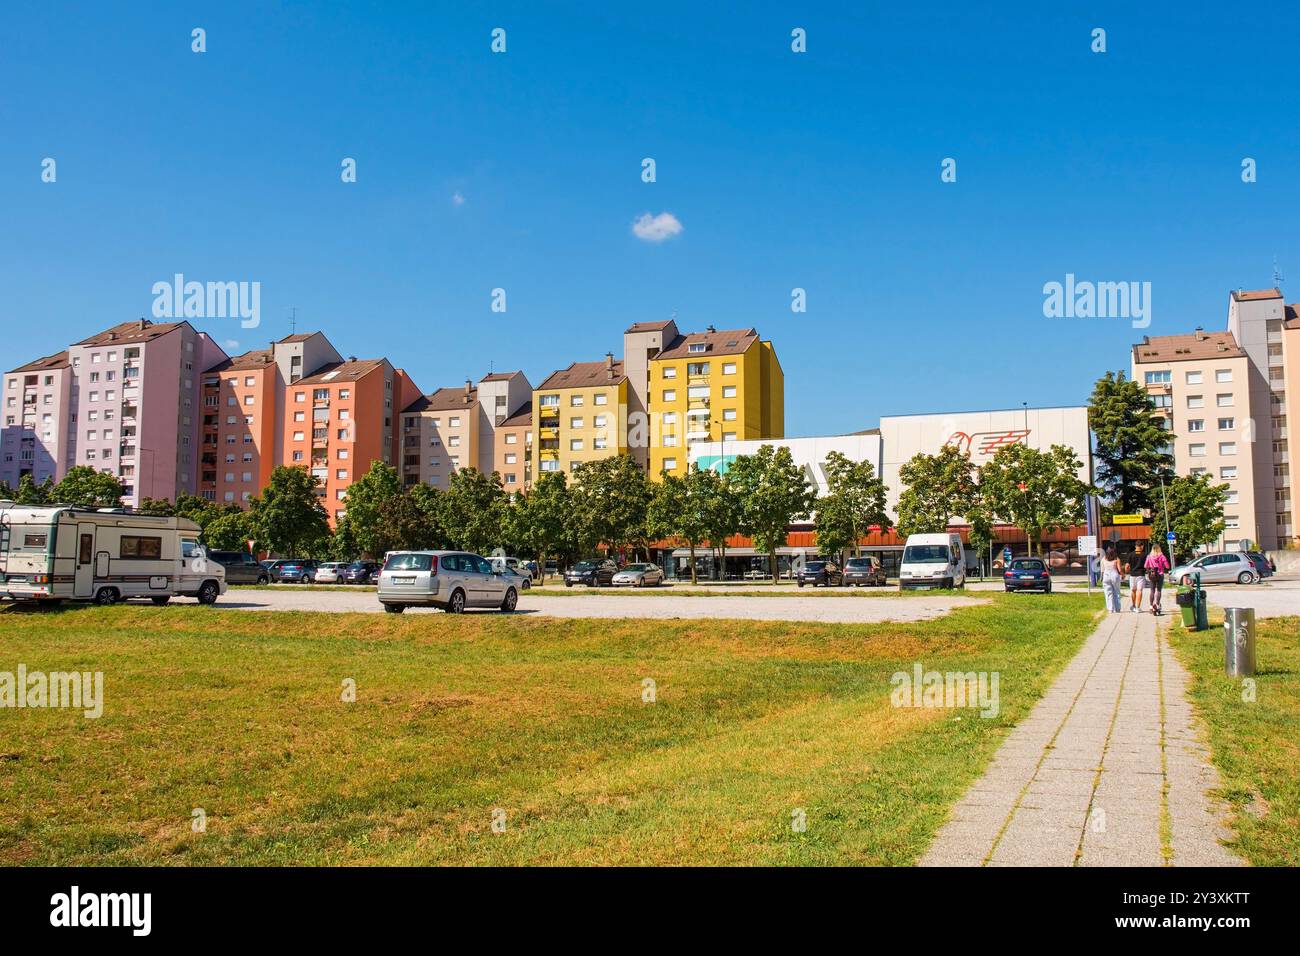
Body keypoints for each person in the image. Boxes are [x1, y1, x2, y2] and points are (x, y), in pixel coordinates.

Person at [1145, 543, 1171, 616]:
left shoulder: (1149, 556)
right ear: (1159, 549)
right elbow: (1167, 566)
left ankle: (1151, 606)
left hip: (1152, 575)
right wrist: (1162, 566)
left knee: (1152, 590)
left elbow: (1145, 565)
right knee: (1158, 590)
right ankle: (1157, 605)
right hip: (1160, 574)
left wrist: (1150, 569)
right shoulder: (1162, 556)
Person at [1101, 545, 1123, 613]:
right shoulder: (1117, 559)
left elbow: (1102, 570)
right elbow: (1119, 570)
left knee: (1108, 593)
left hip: (1106, 576)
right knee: (1117, 592)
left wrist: (1101, 577)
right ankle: (1117, 608)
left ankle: (1110, 609)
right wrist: (1123, 574)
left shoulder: (1104, 559)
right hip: (1115, 575)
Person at [1125, 546, 1145, 613]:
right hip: (1141, 574)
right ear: (1142, 546)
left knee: (1133, 590)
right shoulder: (1144, 554)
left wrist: (1126, 571)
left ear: (1135, 546)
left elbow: (1127, 565)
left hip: (1132, 575)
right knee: (1139, 590)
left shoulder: (1130, 554)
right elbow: (1147, 565)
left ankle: (1133, 606)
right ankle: (1138, 608)